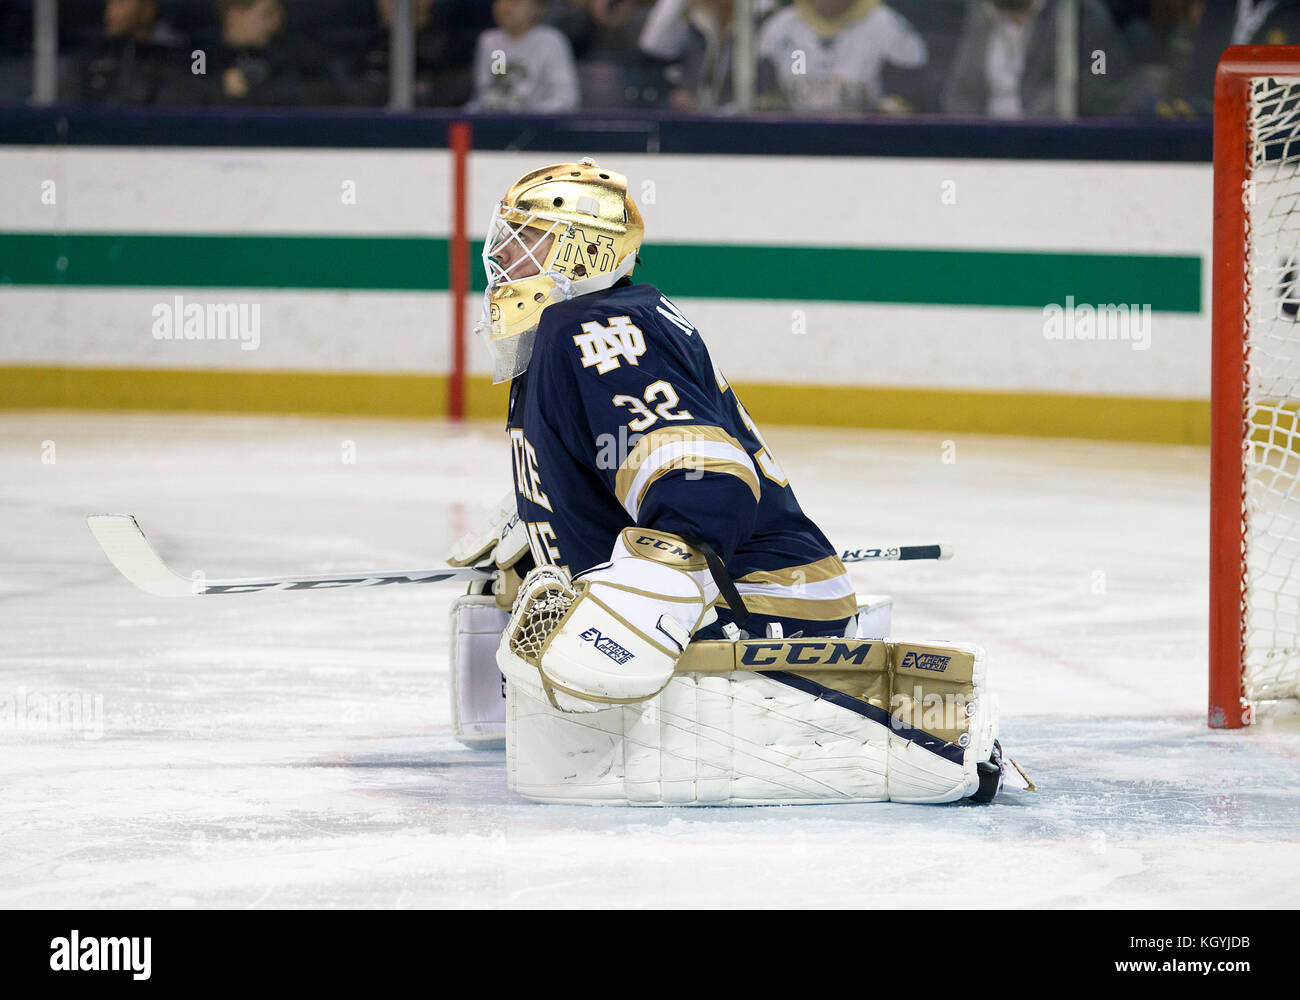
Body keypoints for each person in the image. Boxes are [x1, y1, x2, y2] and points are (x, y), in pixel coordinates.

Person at [445, 158, 1008, 806]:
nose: (504, 262)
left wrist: (651, 589)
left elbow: (705, 478)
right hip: (757, 592)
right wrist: (542, 526)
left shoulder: (593, 326)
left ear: (582, 249)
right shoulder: (585, 327)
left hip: (759, 605)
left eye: (527, 241)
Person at [943, 0, 1130, 118]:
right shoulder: (973, 13)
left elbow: (1100, 80)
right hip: (981, 145)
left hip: (1049, 145)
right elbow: (959, 92)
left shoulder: (1082, 14)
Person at [755, 0, 929, 114]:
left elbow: (907, 106)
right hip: (793, 147)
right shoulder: (778, 28)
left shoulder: (891, 29)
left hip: (866, 149)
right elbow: (764, 101)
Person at [204, 0, 337, 106]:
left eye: (279, 15)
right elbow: (190, 95)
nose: (275, 25)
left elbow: (329, 94)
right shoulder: (201, 58)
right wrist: (220, 90)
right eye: (268, 13)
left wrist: (252, 94)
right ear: (236, 14)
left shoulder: (294, 55)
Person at [62, 0, 192, 105]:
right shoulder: (90, 58)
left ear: (149, 9)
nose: (110, 11)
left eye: (120, 3)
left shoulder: (175, 57)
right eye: (109, 3)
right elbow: (70, 106)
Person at [467, 0, 580, 111]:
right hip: (496, 121)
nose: (506, 6)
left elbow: (566, 99)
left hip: (539, 124)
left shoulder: (551, 41)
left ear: (537, 8)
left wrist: (528, 117)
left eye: (516, 2)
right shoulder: (489, 41)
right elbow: (485, 92)